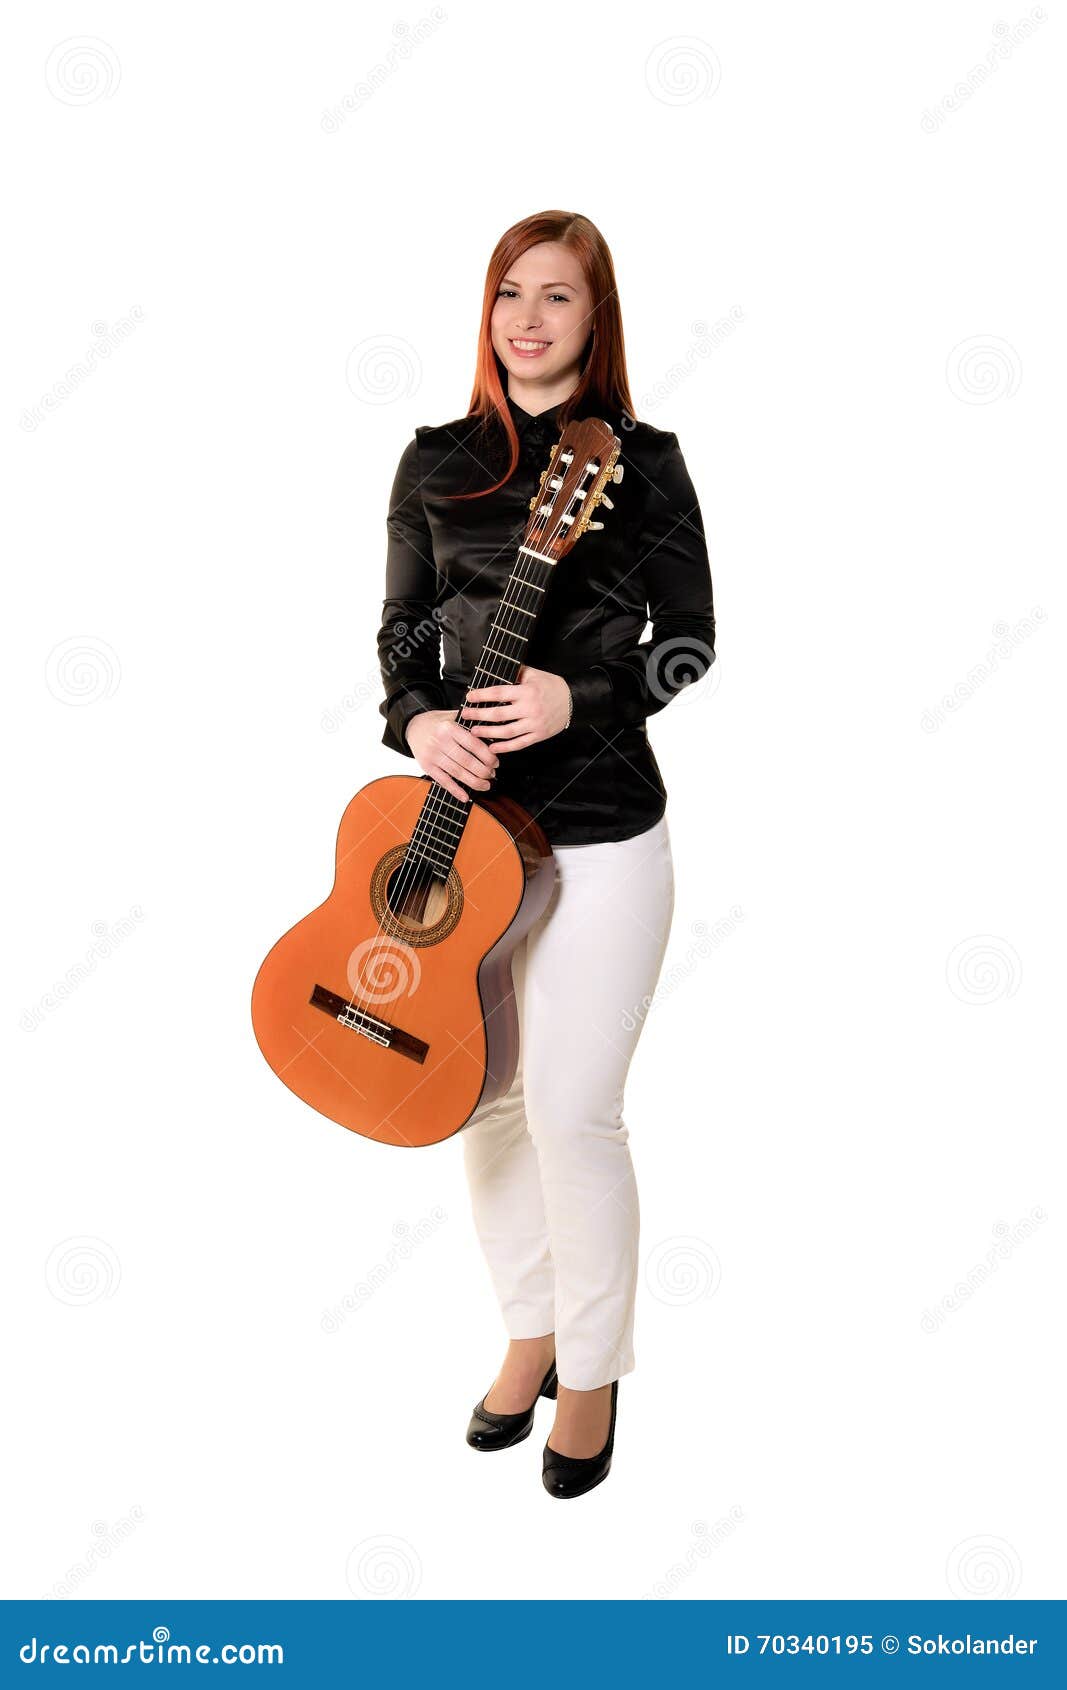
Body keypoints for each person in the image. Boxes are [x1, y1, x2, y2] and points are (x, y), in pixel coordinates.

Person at [376, 210, 716, 1498]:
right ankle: (526, 1328)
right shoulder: (432, 459)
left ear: (597, 316)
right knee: (483, 1101)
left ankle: (594, 1368)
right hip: (469, 835)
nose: (527, 318)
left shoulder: (649, 461)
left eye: (557, 297)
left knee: (575, 1111)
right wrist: (417, 721)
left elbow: (690, 639)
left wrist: (589, 699)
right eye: (509, 292)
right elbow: (403, 631)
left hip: (605, 823)